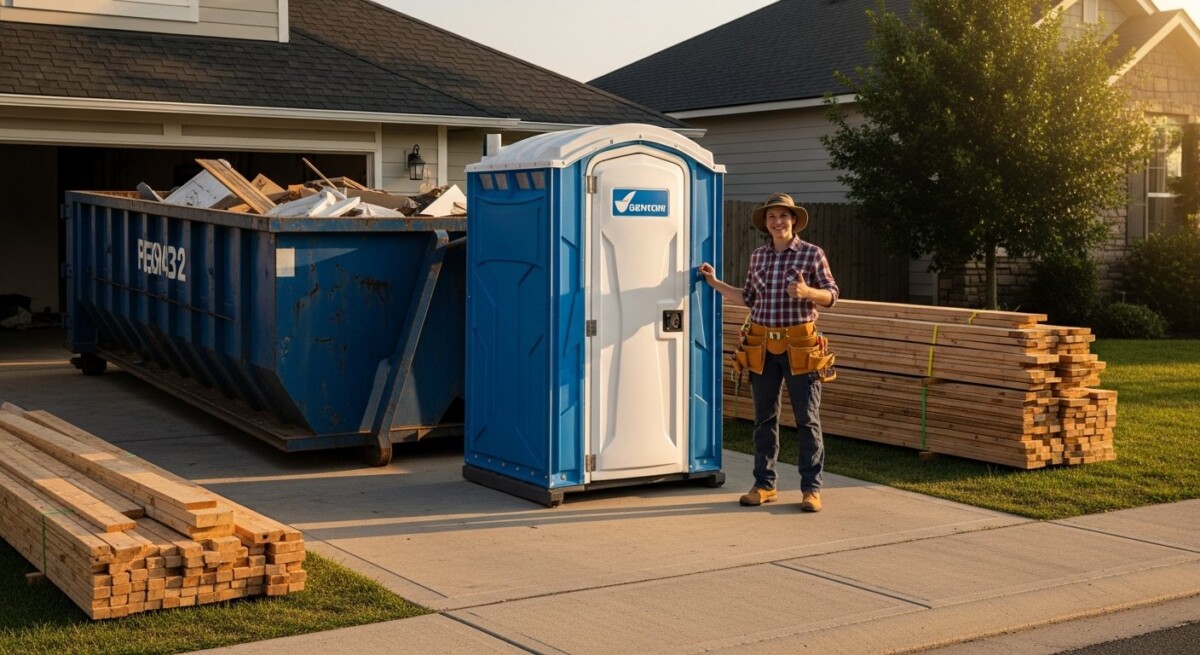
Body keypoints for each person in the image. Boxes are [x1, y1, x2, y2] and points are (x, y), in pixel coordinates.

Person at [697, 193, 839, 512]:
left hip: (801, 347)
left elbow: (832, 295)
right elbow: (748, 298)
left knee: (807, 419)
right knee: (764, 419)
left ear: (794, 220)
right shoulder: (758, 256)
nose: (778, 222)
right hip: (761, 347)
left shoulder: (812, 254)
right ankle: (764, 485)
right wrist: (714, 282)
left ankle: (811, 490)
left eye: (783, 216)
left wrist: (807, 292)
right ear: (765, 222)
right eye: (772, 217)